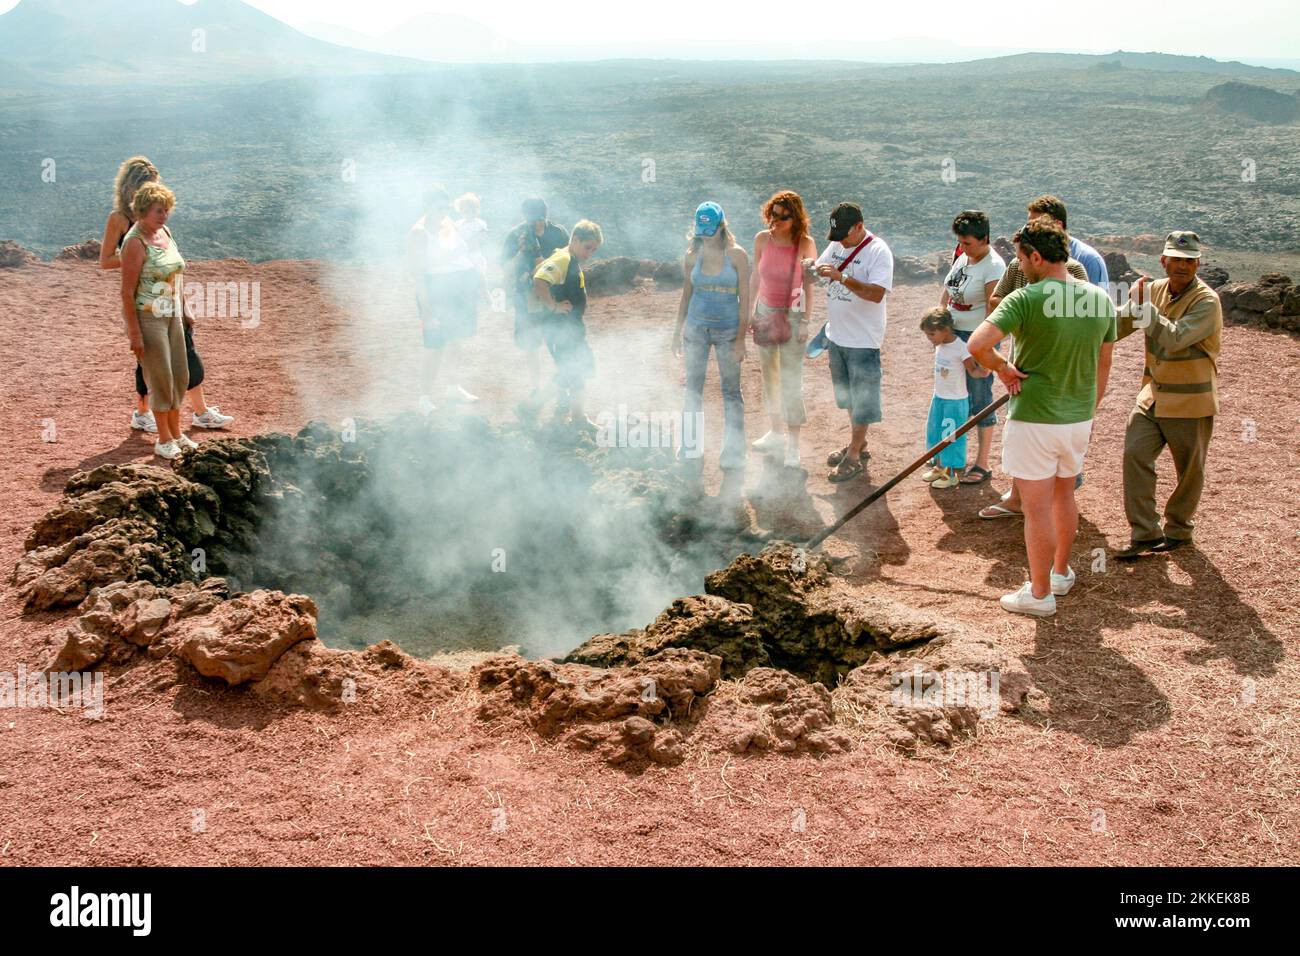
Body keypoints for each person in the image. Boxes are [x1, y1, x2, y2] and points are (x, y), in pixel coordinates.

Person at [966, 220, 1116, 617]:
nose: (1019, 265)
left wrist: (1002, 367)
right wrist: (1091, 406)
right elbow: (1105, 362)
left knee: (1035, 509)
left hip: (1035, 417)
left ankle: (1039, 593)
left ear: (1035, 256)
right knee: (1064, 495)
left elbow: (978, 344)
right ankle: (1061, 573)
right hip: (1078, 417)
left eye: (1020, 257)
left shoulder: (1026, 298)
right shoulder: (1100, 299)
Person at [100, 156, 233, 434]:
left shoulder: (158, 221)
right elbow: (105, 260)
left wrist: (185, 306)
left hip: (169, 298)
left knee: (186, 354)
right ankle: (145, 413)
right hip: (144, 300)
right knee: (148, 360)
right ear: (130, 187)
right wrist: (136, 257)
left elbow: (173, 264)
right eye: (145, 185)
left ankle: (199, 411)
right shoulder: (120, 219)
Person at [1112, 231, 1222, 559]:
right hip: (1153, 395)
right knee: (1135, 454)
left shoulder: (1207, 301)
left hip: (1191, 400)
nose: (1182, 266)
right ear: (1163, 261)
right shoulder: (1154, 291)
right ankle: (1145, 532)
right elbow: (1117, 328)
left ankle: (1178, 529)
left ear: (1198, 263)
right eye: (1176, 259)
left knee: (1189, 470)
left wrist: (1143, 307)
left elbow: (1175, 338)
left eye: (1189, 261)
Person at [811, 202, 893, 483]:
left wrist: (842, 277)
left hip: (862, 340)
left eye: (845, 235)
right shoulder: (837, 245)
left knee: (862, 400)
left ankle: (855, 454)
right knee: (847, 397)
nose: (840, 242)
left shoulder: (878, 251)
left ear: (859, 226)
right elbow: (821, 266)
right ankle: (859, 443)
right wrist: (811, 268)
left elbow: (876, 294)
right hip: (837, 336)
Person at [671, 202, 750, 478]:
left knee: (730, 391)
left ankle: (734, 451)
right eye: (701, 231)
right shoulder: (692, 255)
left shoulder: (738, 256)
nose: (705, 235)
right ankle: (690, 446)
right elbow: (685, 295)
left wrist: (741, 339)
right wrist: (676, 332)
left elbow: (745, 302)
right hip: (696, 329)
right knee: (693, 388)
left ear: (722, 226)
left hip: (728, 330)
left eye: (710, 230)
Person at [119, 182, 194, 460]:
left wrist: (185, 309)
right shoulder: (135, 243)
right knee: (161, 378)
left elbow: (177, 274)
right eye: (158, 210)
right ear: (142, 211)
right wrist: (135, 334)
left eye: (166, 210)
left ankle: (176, 434)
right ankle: (163, 440)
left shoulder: (165, 233)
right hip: (148, 317)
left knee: (180, 375)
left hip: (172, 314)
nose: (164, 215)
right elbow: (126, 292)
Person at [749, 191, 817, 469]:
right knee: (769, 377)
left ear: (795, 217)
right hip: (765, 312)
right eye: (772, 215)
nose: (775, 221)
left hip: (792, 313)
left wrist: (805, 321)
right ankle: (775, 431)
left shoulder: (805, 244)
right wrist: (750, 311)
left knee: (790, 379)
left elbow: (810, 285)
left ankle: (793, 443)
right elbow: (755, 276)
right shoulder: (761, 239)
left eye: (783, 216)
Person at [939, 211, 1004, 485]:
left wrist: (986, 350)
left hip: (977, 337)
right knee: (953, 396)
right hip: (953, 335)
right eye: (960, 242)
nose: (962, 247)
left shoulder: (995, 267)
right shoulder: (963, 256)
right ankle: (953, 459)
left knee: (980, 398)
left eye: (967, 243)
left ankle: (982, 463)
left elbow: (994, 309)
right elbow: (948, 290)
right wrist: (939, 318)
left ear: (984, 238)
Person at [409, 186, 480, 409]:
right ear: (427, 207)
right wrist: (427, 310)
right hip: (435, 291)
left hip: (457, 288)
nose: (444, 211)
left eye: (446, 207)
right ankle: (424, 398)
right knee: (436, 346)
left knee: (456, 339)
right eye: (439, 207)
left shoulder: (448, 222)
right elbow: (418, 276)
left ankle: (453, 387)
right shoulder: (419, 233)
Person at [531, 220, 604, 429]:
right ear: (575, 239)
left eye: (594, 250)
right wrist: (553, 306)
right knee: (571, 371)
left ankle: (579, 418)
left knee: (578, 370)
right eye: (587, 247)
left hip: (570, 329)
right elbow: (539, 281)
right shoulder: (563, 258)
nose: (589, 253)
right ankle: (531, 406)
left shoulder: (570, 259)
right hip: (559, 329)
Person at [501, 199, 569, 400]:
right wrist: (521, 252)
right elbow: (505, 268)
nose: (537, 224)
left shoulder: (558, 233)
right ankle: (536, 387)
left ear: (545, 216)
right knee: (530, 344)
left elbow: (569, 262)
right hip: (526, 296)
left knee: (557, 342)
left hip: (553, 294)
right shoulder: (515, 235)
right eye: (532, 219)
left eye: (540, 219)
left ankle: (562, 389)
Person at [919, 308, 982, 490]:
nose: (929, 338)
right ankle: (939, 466)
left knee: (951, 436)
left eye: (932, 333)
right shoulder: (939, 345)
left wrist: (984, 371)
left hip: (955, 402)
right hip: (939, 397)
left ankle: (951, 474)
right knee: (935, 431)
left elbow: (972, 370)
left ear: (946, 329)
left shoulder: (961, 347)